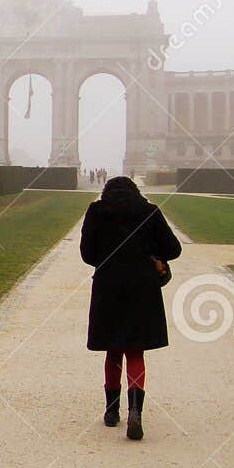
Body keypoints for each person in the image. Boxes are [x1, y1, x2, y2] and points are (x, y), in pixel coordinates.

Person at [78, 175, 182, 441]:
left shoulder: (97, 211)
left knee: (113, 349)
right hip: (142, 288)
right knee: (135, 351)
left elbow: (87, 254)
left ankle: (112, 411)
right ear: (135, 191)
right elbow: (173, 248)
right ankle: (135, 409)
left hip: (108, 287)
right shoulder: (149, 211)